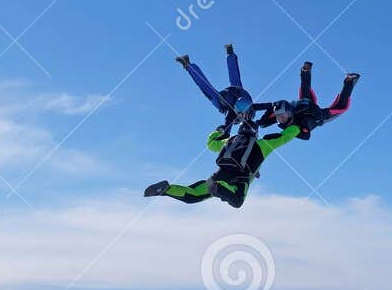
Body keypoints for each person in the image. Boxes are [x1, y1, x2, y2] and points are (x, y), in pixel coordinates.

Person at [144, 117, 301, 208]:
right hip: (239, 180)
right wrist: (298, 125)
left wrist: (219, 130)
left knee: (194, 195)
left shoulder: (229, 140)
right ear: (255, 133)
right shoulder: (263, 144)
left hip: (219, 174)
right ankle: (219, 187)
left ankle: (166, 189)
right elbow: (285, 137)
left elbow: (211, 144)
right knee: (237, 201)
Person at [255, 62, 359, 139]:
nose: (281, 119)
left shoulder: (302, 121)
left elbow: (306, 136)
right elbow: (263, 123)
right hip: (307, 106)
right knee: (305, 91)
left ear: (289, 112)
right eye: (278, 117)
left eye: (282, 116)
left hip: (318, 115)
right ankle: (305, 71)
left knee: (341, 107)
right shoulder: (283, 115)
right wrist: (257, 113)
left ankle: (350, 82)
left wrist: (284, 131)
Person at [175, 43, 259, 121]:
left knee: (234, 79)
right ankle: (187, 64)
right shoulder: (238, 114)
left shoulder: (245, 108)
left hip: (235, 97)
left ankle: (230, 53)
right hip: (225, 101)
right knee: (206, 87)